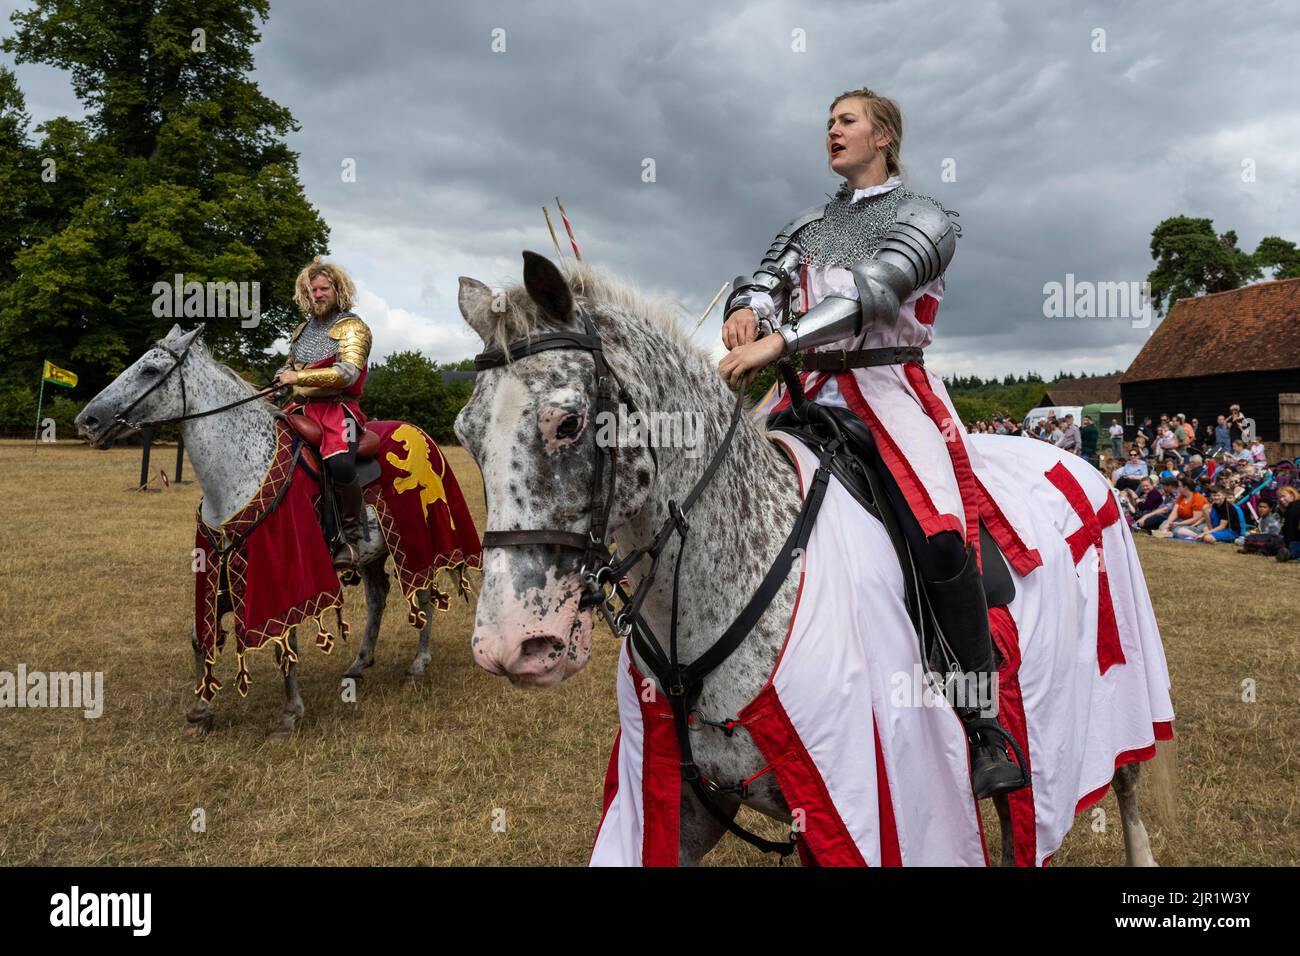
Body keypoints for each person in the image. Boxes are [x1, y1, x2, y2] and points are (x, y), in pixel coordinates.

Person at [717, 86, 1025, 798]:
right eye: (827, 121)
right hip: (804, 392)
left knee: (939, 533)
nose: (832, 130)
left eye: (846, 120)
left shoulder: (925, 217)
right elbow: (764, 282)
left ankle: (981, 723)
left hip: (889, 392)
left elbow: (872, 292)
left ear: (882, 135)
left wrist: (777, 341)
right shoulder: (807, 221)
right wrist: (744, 312)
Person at [273, 258, 377, 570]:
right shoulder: (302, 330)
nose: (317, 294)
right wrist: (277, 384)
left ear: (337, 290)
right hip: (300, 409)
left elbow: (345, 373)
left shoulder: (353, 327)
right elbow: (289, 369)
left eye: (323, 288)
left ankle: (352, 536)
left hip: (337, 409)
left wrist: (297, 379)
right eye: (312, 289)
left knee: (341, 464)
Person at [1276, 485, 1300, 562]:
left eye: (1283, 496)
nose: (1281, 499)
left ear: (1292, 494)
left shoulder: (1293, 506)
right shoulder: (1287, 511)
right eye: (1279, 498)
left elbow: (1290, 531)